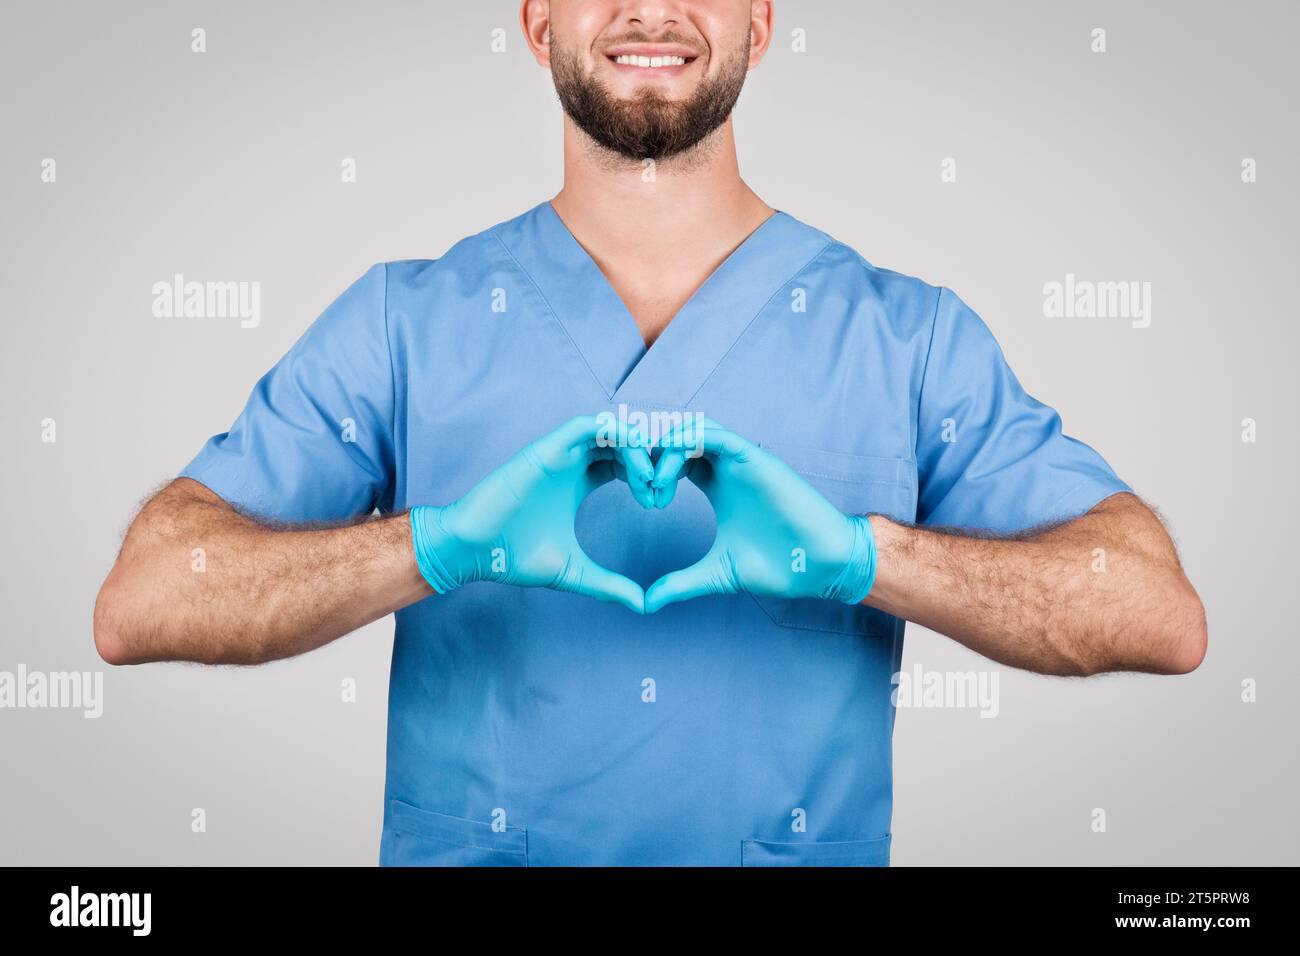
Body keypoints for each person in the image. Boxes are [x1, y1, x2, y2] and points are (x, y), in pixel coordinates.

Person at [93, 1, 1206, 866]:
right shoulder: (406, 323)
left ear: (759, 23)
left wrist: (874, 559)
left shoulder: (904, 340)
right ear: (538, 23)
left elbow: (1156, 613)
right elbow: (142, 599)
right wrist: (429, 546)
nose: (651, 12)